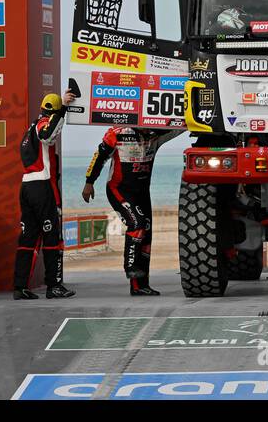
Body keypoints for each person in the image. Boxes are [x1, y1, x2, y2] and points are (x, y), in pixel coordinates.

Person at [82, 126, 182, 295]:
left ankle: (139, 286)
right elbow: (99, 156)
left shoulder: (157, 133)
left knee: (146, 235)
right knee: (137, 224)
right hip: (119, 190)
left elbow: (180, 128)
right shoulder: (117, 133)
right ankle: (130, 266)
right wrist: (89, 182)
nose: (146, 130)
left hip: (142, 193)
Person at [13, 91, 77, 300]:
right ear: (54, 112)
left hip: (27, 187)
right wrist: (64, 109)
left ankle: (20, 287)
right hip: (41, 187)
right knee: (53, 239)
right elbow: (48, 134)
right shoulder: (42, 124)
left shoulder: (30, 128)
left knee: (28, 239)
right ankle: (54, 286)